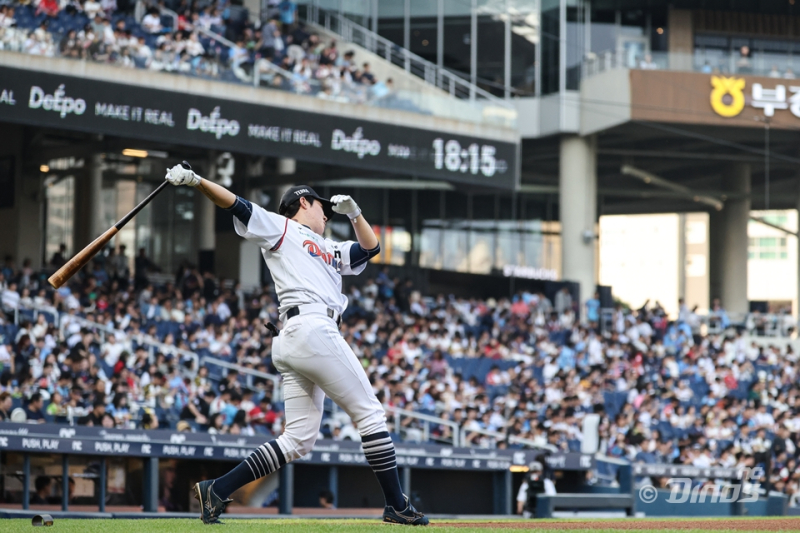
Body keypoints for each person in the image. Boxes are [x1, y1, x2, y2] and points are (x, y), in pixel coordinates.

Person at [164, 162, 427, 525]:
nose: (325, 211)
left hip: (295, 337)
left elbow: (370, 248)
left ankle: (218, 489)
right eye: (320, 205)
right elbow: (236, 204)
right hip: (311, 327)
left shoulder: (329, 247)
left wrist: (357, 215)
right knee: (370, 413)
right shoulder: (282, 226)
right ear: (304, 203)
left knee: (298, 440)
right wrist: (197, 181)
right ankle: (397, 504)